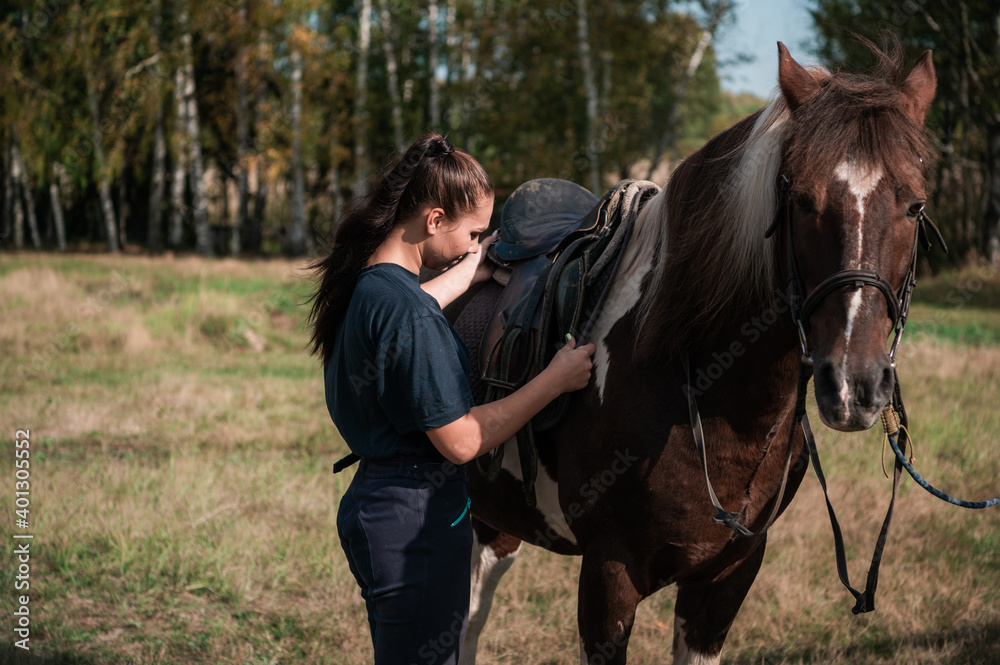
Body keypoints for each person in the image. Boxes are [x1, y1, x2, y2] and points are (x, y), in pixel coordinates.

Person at [308, 133, 596, 665]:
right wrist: (554, 379)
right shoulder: (409, 313)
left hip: (379, 504)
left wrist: (467, 275)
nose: (473, 247)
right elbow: (462, 441)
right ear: (434, 219)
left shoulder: (368, 286)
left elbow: (408, 313)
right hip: (415, 520)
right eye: (472, 234)